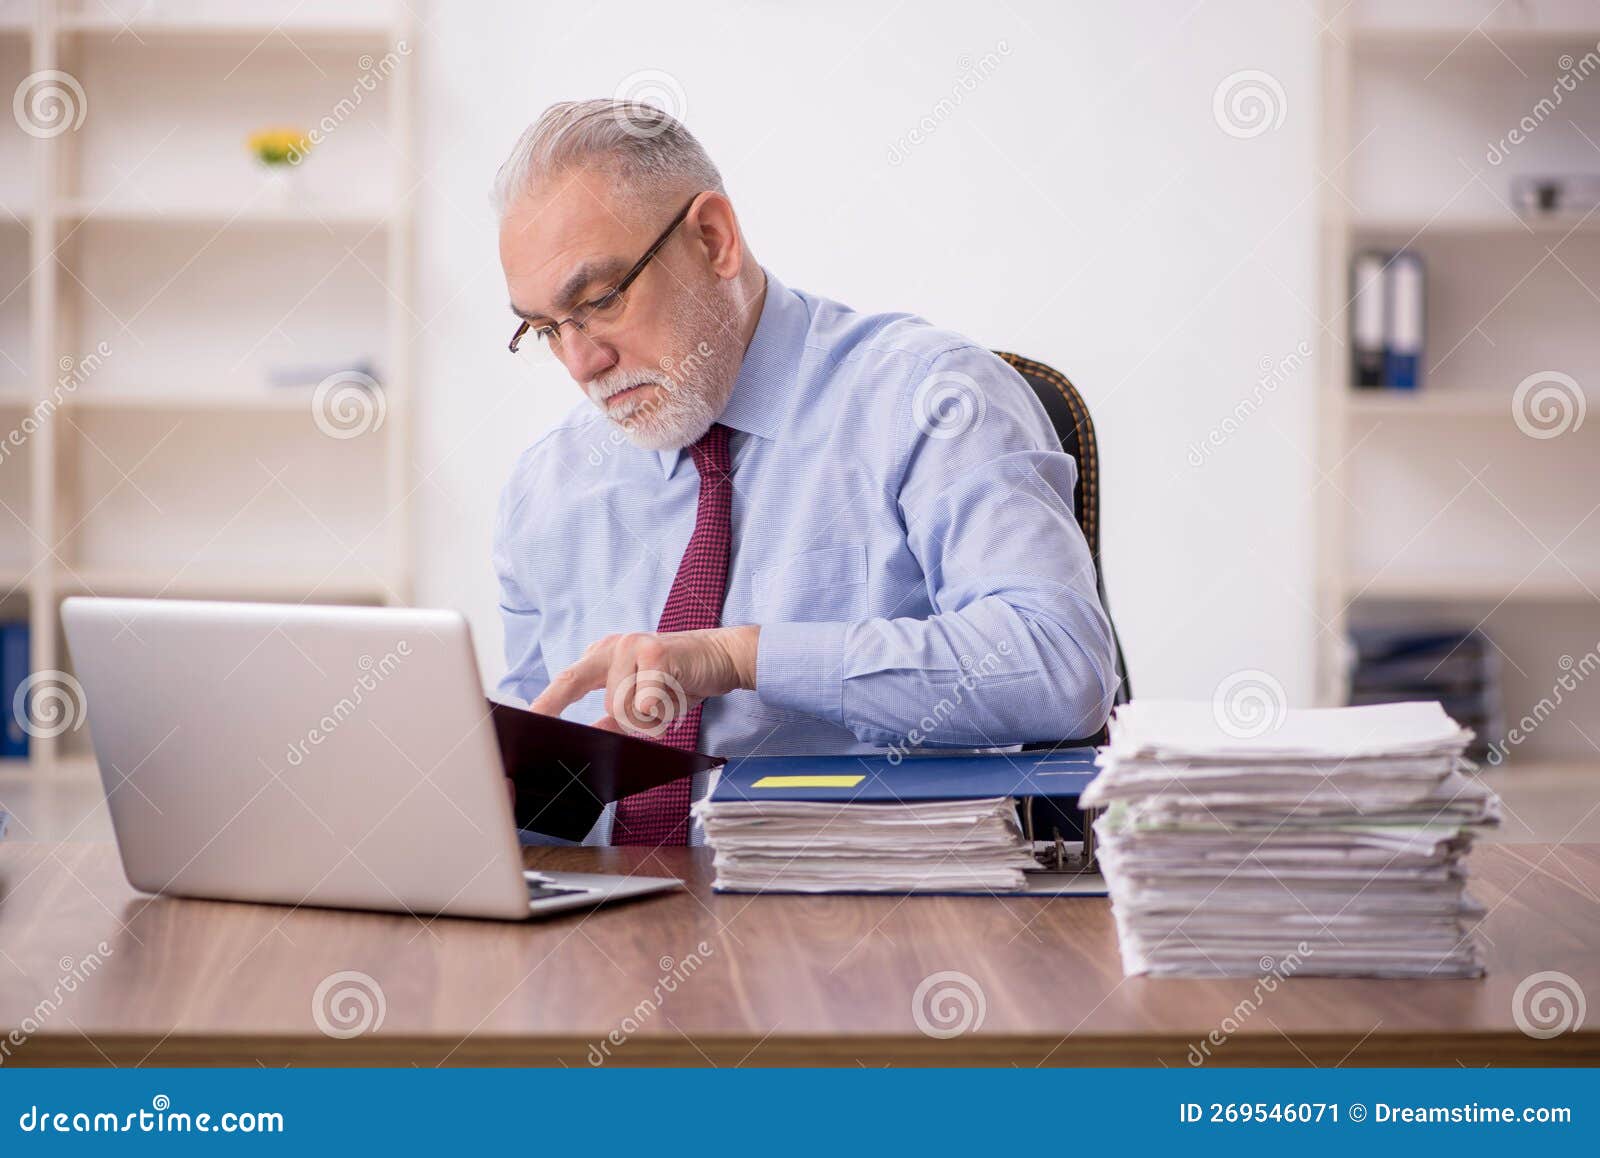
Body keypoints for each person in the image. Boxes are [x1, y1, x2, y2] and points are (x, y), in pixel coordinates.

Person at [492, 99, 1117, 846]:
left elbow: (1061, 663)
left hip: (868, 929)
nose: (581, 362)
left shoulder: (932, 399)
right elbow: (538, 776)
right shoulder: (546, 486)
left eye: (600, 301)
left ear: (714, 239)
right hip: (599, 931)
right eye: (543, 328)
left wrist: (739, 656)